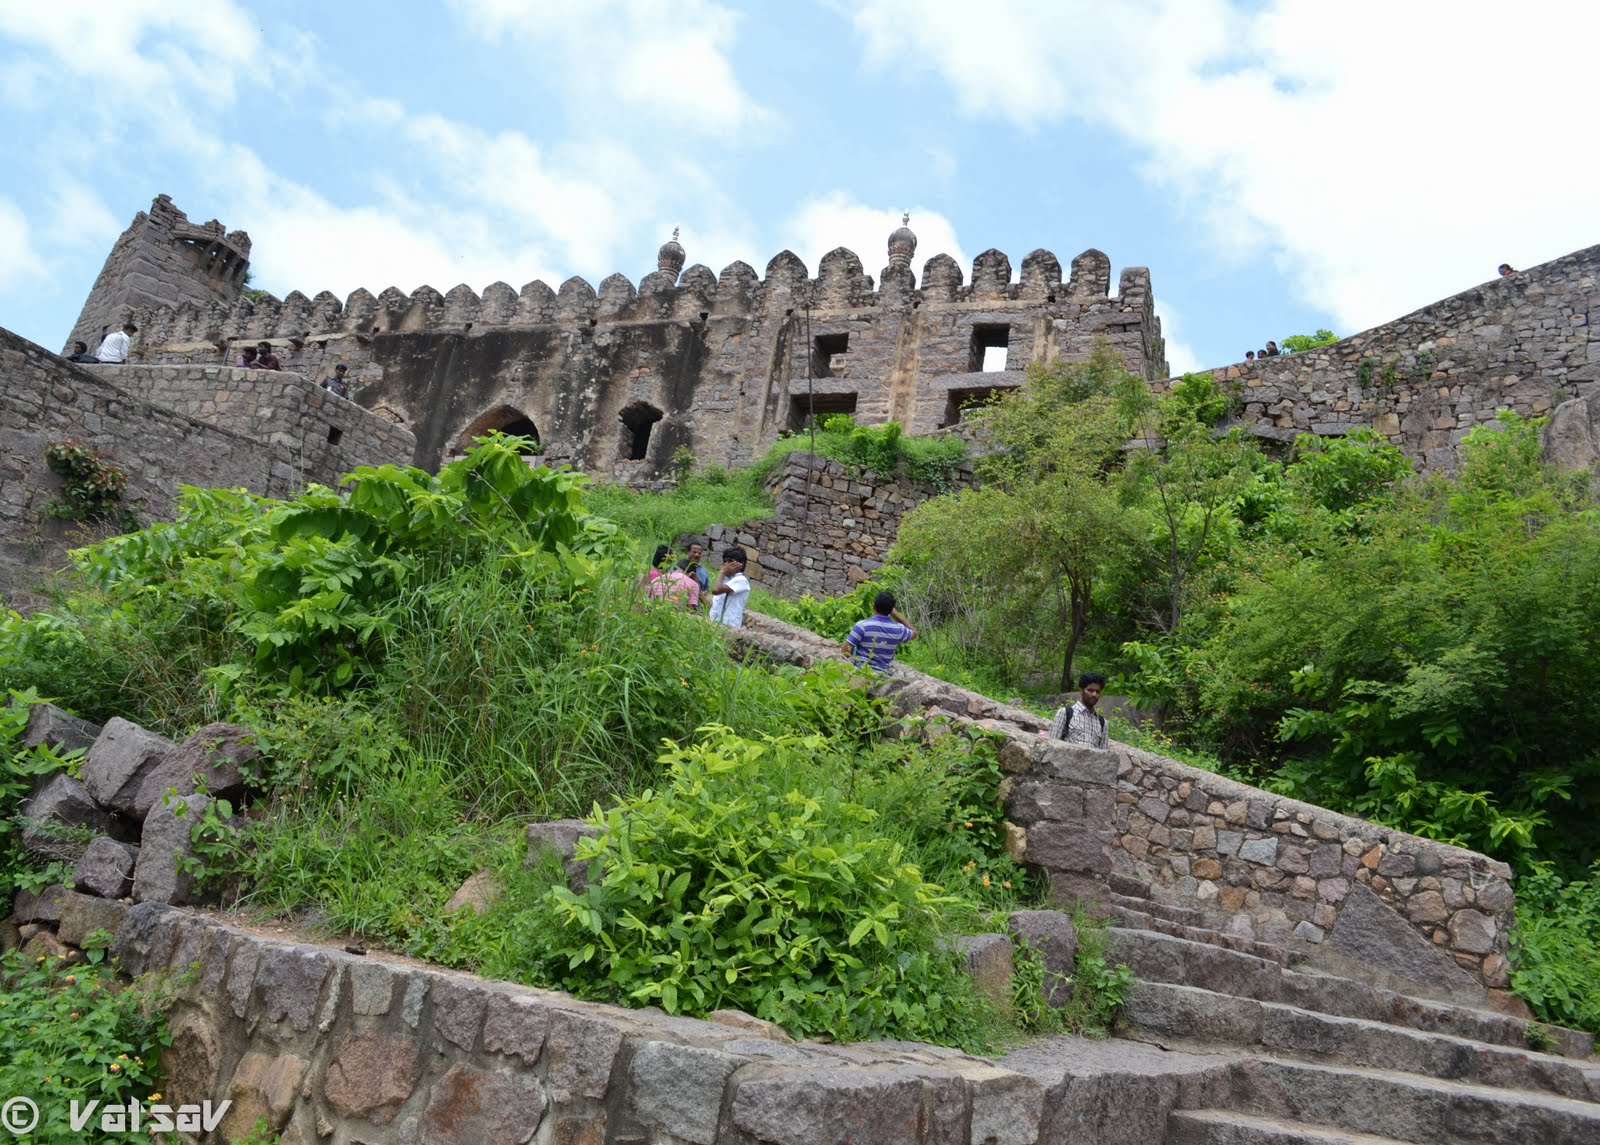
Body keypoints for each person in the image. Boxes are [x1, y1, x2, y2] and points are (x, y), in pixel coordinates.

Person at [842, 591, 916, 673]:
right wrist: (897, 616)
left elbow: (845, 652)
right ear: (891, 609)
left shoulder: (862, 626)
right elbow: (914, 634)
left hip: (862, 673)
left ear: (873, 605)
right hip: (883, 677)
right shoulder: (899, 629)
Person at [1049, 671, 1109, 749]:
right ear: (1081, 691)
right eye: (1090, 690)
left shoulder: (1102, 723)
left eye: (1097, 691)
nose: (1094, 694)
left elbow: (1104, 755)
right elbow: (1052, 744)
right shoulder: (1066, 713)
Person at [707, 547, 751, 628]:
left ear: (741, 565)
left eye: (730, 561)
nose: (726, 564)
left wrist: (722, 572)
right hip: (714, 623)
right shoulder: (725, 580)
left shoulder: (741, 580)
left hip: (729, 625)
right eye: (725, 561)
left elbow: (716, 590)